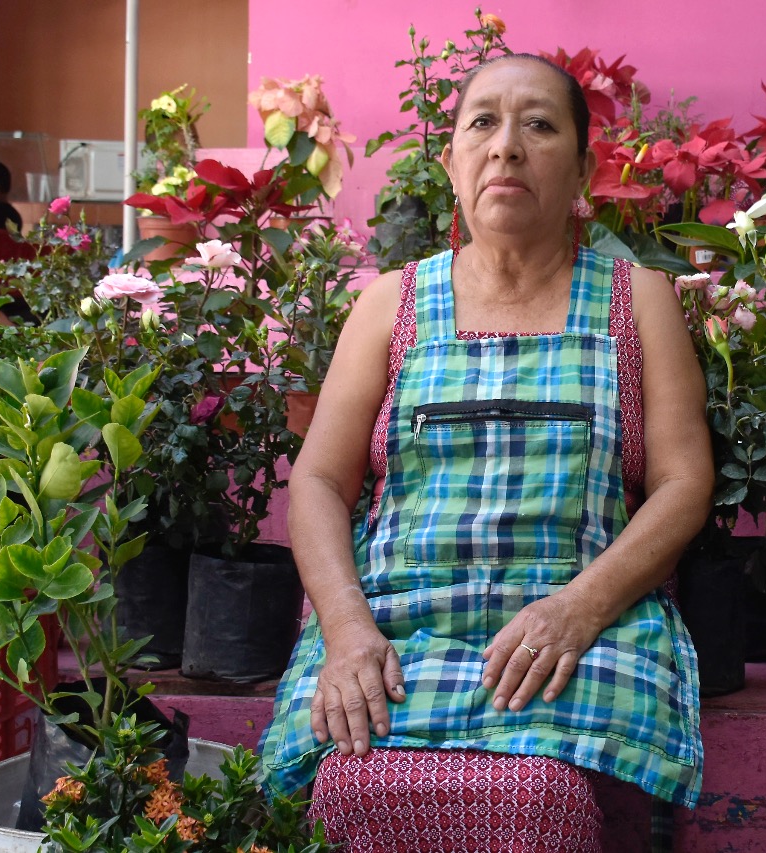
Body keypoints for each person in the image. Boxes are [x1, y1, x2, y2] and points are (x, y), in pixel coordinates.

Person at [260, 53, 714, 850]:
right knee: (355, 778)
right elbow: (321, 481)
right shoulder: (389, 304)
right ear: (451, 162)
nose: (506, 146)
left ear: (584, 170)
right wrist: (347, 628)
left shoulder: (637, 299)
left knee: (536, 793)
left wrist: (577, 610)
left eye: (538, 125)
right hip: (398, 626)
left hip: (578, 625)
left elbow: (683, 483)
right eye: (483, 124)